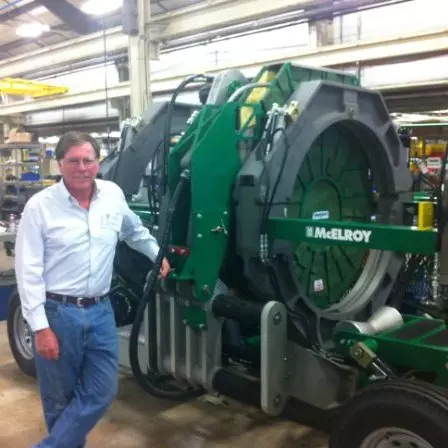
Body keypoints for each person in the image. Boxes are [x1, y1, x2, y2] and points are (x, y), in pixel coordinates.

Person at [14, 131, 170, 448]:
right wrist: (40, 327)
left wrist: (156, 253)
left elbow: (133, 231)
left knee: (102, 390)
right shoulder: (40, 207)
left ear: (98, 163)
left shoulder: (112, 195)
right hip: (58, 313)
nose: (82, 167)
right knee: (60, 399)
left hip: (100, 311)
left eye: (88, 160)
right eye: (73, 161)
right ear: (59, 164)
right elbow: (27, 271)